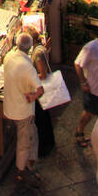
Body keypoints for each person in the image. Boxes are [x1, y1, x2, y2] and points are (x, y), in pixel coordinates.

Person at [3, 34, 43, 187]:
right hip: (22, 111)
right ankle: (22, 170)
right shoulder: (28, 68)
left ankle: (29, 163)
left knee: (29, 134)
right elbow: (40, 89)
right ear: (30, 48)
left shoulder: (8, 57)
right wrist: (32, 97)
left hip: (9, 107)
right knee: (24, 141)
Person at [26, 27, 55, 158]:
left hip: (39, 90)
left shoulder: (37, 53)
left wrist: (29, 76)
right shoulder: (41, 48)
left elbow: (42, 74)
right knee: (45, 118)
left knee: (41, 119)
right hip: (43, 89)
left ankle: (43, 148)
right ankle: (49, 143)